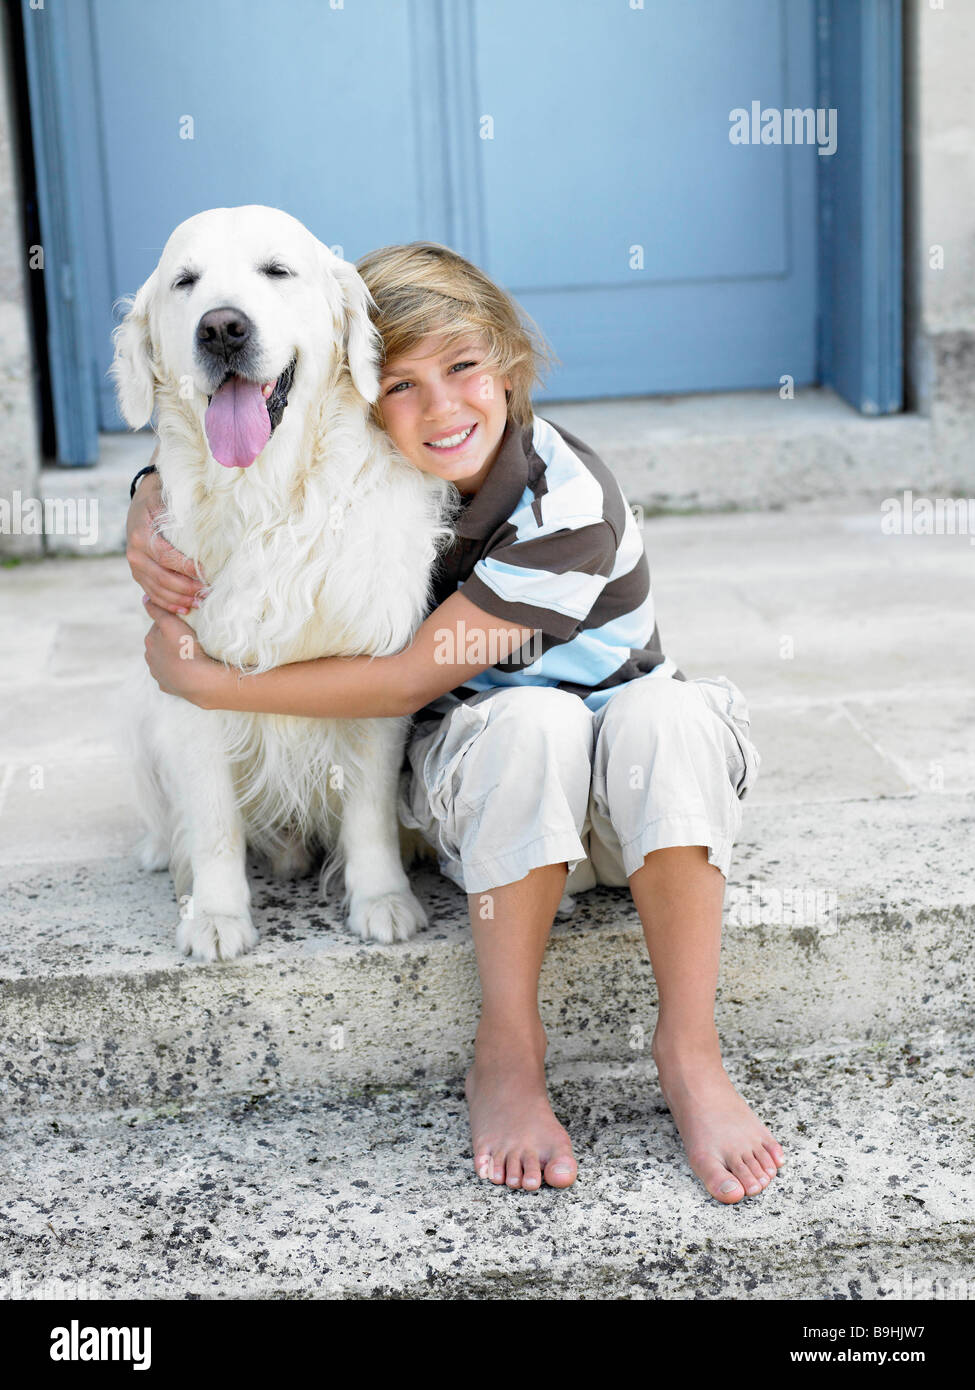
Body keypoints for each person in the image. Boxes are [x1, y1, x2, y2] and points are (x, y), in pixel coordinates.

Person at [127, 241, 785, 1202]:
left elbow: (401, 681)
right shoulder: (383, 485)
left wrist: (210, 686)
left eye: (465, 369)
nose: (439, 409)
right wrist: (145, 498)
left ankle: (691, 1052)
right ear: (356, 389)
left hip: (638, 820)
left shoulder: (568, 505)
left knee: (667, 713)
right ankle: (507, 1052)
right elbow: (228, 470)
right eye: (400, 385)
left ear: (511, 369)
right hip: (505, 808)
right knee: (528, 726)